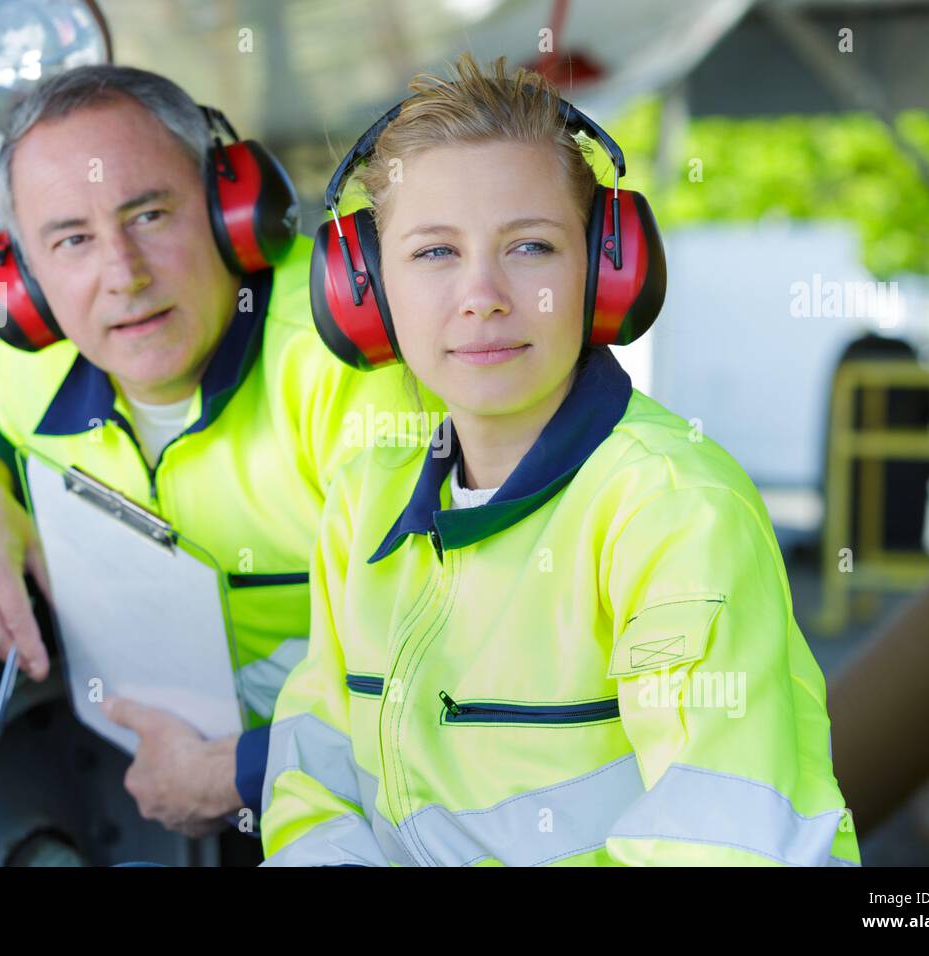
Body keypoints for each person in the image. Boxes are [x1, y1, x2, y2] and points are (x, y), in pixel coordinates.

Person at [259, 53, 861, 866]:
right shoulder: (367, 497)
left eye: (532, 247)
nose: (483, 294)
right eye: (434, 253)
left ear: (605, 275)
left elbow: (725, 847)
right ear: (363, 290)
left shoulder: (672, 508)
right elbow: (313, 780)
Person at [0, 65, 434, 848]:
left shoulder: (354, 372)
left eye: (150, 215)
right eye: (71, 239)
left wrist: (237, 775)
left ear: (233, 210)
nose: (122, 276)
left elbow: (459, 689)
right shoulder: (30, 372)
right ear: (23, 282)